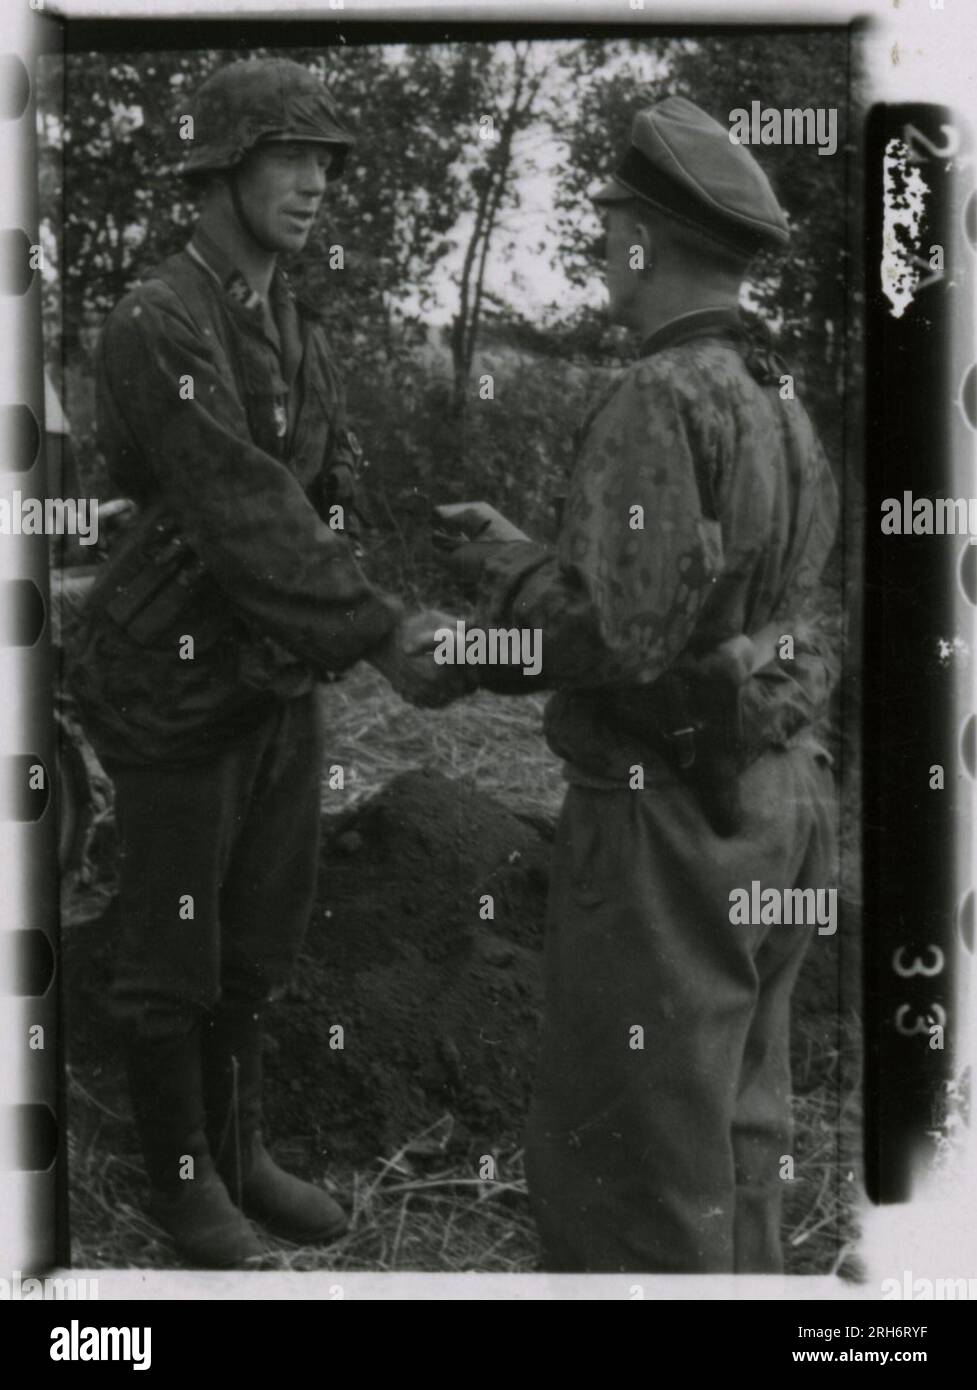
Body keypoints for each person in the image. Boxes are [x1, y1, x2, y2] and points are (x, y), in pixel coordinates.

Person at [432, 96, 840, 1273]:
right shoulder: (776, 393)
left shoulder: (661, 395)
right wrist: (521, 552)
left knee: (630, 1172)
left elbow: (618, 638)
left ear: (640, 241)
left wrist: (484, 618)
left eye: (608, 222)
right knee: (736, 1138)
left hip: (668, 819)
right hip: (780, 800)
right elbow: (740, 607)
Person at [69, 58, 452, 1268]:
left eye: (326, 161)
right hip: (172, 686)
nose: (315, 182)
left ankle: (236, 1154)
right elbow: (241, 507)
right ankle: (183, 1183)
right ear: (220, 169)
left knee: (256, 940)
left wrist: (401, 572)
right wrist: (379, 630)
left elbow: (320, 499)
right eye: (289, 156)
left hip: (272, 680)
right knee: (170, 952)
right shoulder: (157, 320)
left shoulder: (293, 317)